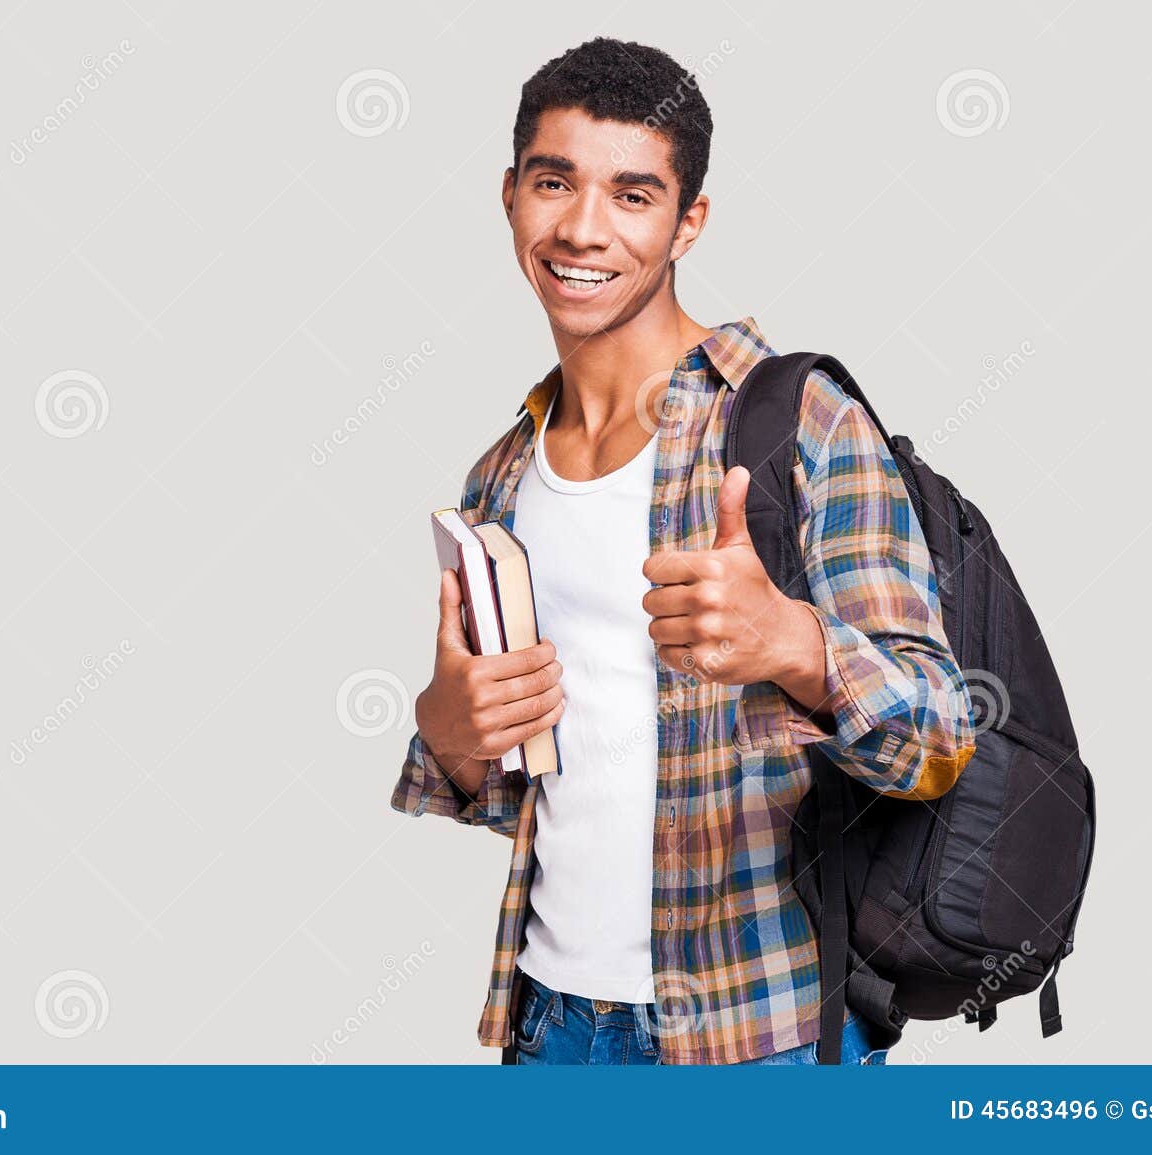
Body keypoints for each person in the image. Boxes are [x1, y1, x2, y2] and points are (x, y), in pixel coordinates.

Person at [390, 36, 976, 1066]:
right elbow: (518, 785)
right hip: (550, 1028)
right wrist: (447, 732)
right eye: (553, 182)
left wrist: (791, 644)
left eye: (632, 195)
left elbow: (937, 739)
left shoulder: (799, 423)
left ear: (686, 221)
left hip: (764, 1040)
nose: (581, 228)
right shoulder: (502, 473)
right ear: (509, 196)